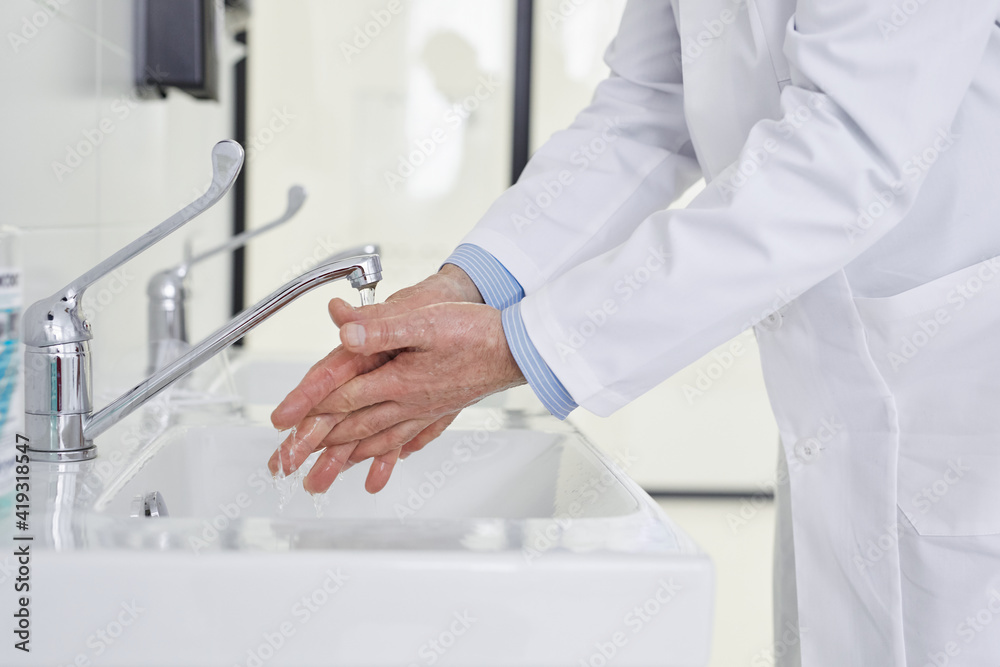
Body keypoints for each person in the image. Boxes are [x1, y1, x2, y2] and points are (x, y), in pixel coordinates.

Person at [268, 1, 1000, 664]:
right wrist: (467, 289)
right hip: (834, 416)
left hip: (955, 387)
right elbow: (651, 104)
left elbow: (848, 151)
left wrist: (523, 343)